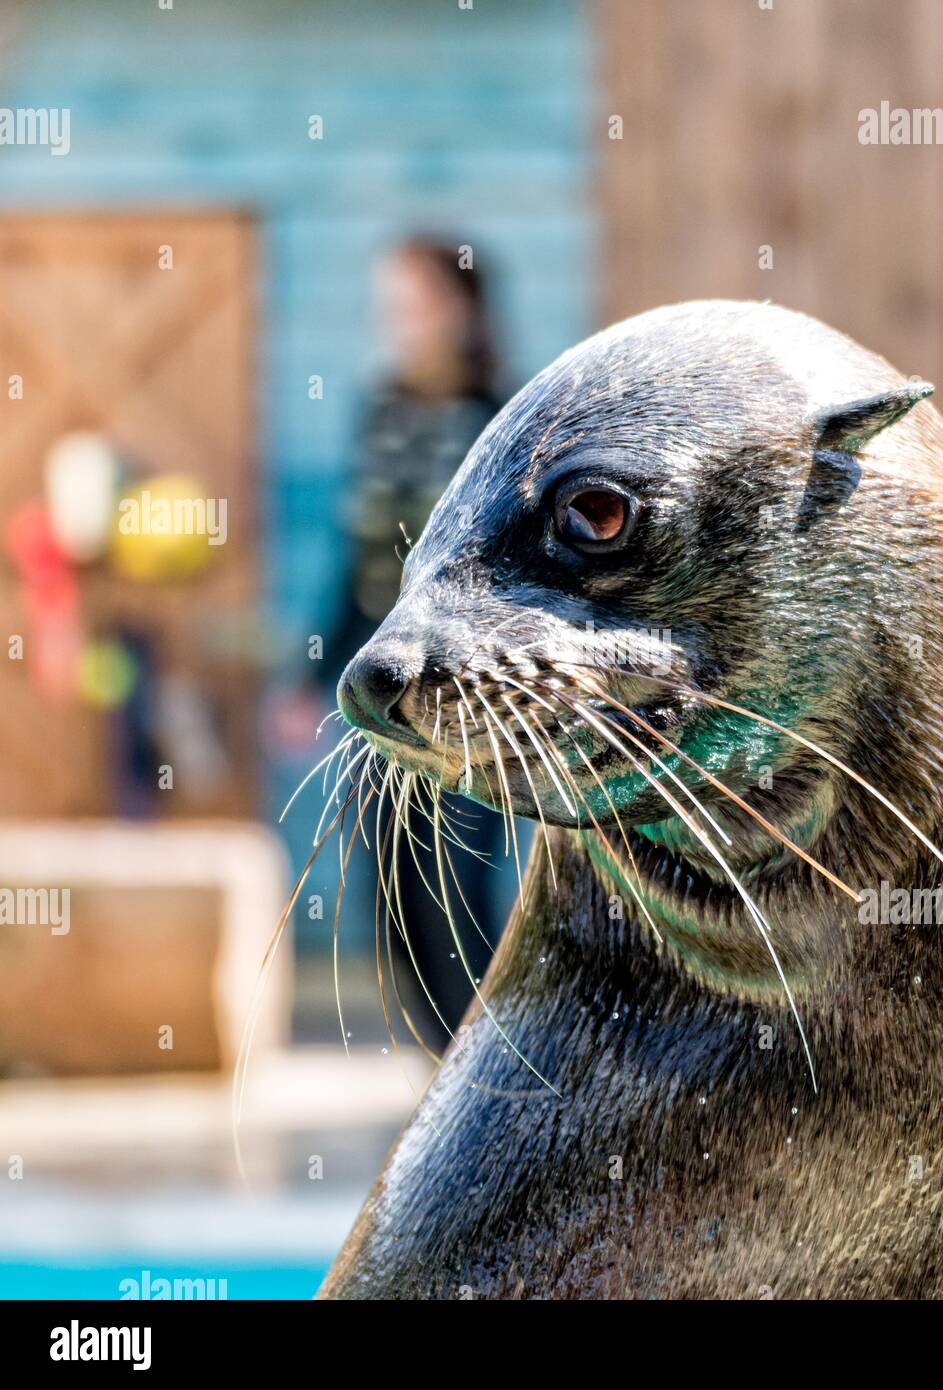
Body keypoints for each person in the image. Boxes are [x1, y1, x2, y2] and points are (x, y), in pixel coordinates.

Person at [318, 237, 507, 1053]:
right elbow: (358, 563)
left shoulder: (497, 415)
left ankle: (491, 1078)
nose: (402, 322)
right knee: (389, 900)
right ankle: (444, 1075)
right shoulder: (380, 407)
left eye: (418, 302)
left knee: (452, 895)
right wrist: (312, 674)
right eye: (392, 304)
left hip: (465, 690)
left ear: (462, 307)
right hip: (379, 685)